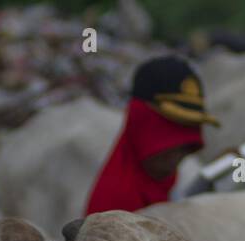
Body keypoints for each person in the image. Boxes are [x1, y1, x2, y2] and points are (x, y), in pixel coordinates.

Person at [85, 55, 218, 215]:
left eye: (185, 148)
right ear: (139, 124)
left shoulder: (167, 186)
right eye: (167, 145)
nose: (175, 159)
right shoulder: (112, 209)